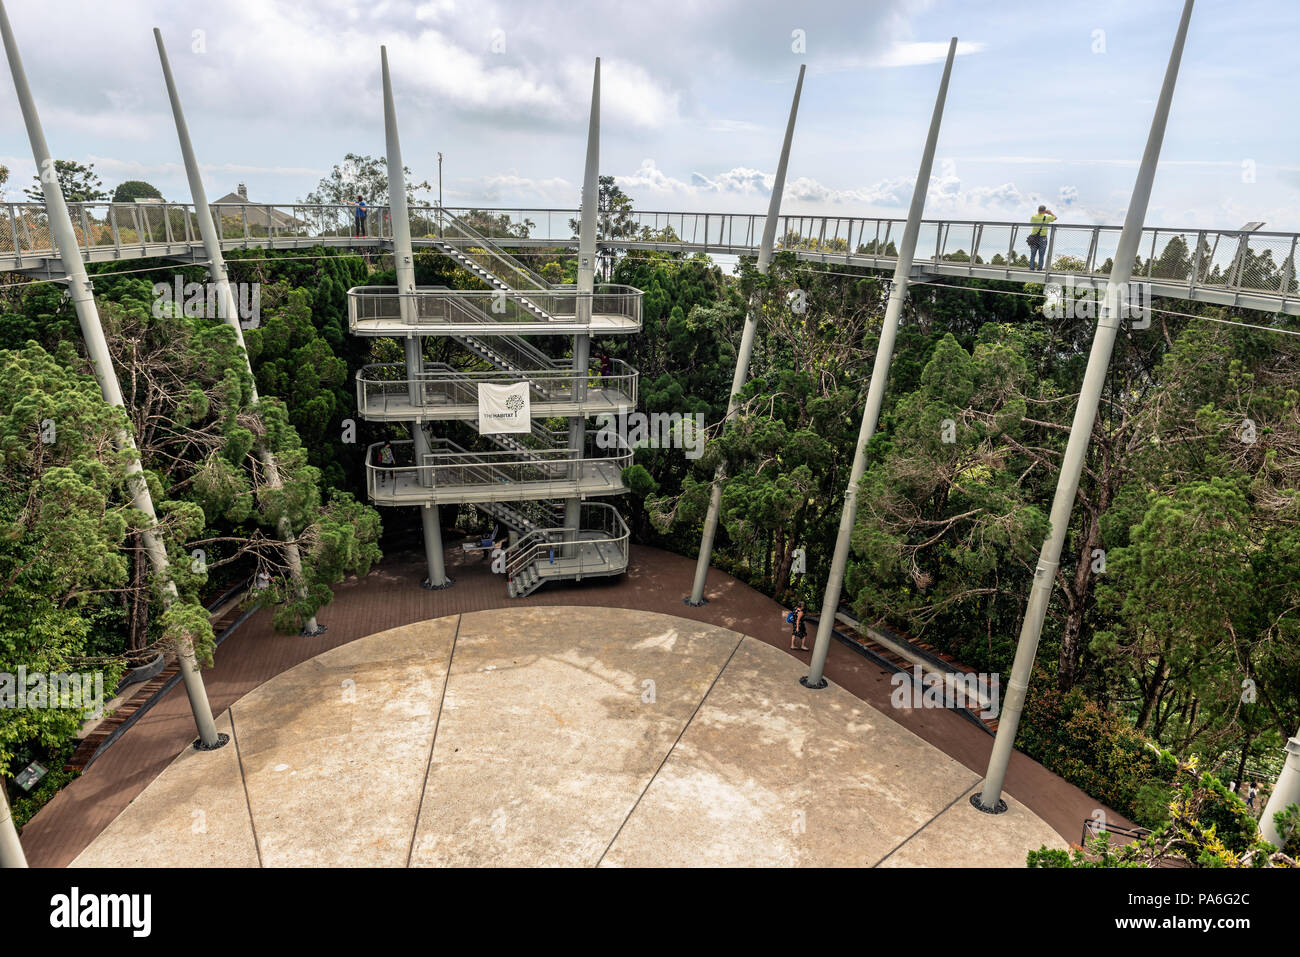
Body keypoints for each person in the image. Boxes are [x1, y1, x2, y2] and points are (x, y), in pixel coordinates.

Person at [1027, 205, 1056, 270]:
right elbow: (1055, 218)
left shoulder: (1033, 217)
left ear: (1038, 210)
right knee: (1041, 255)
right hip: (1043, 238)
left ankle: (1031, 268)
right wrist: (1050, 213)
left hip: (1034, 238)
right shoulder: (1047, 217)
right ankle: (1039, 269)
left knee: (1033, 254)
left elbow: (1031, 223)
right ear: (1045, 211)